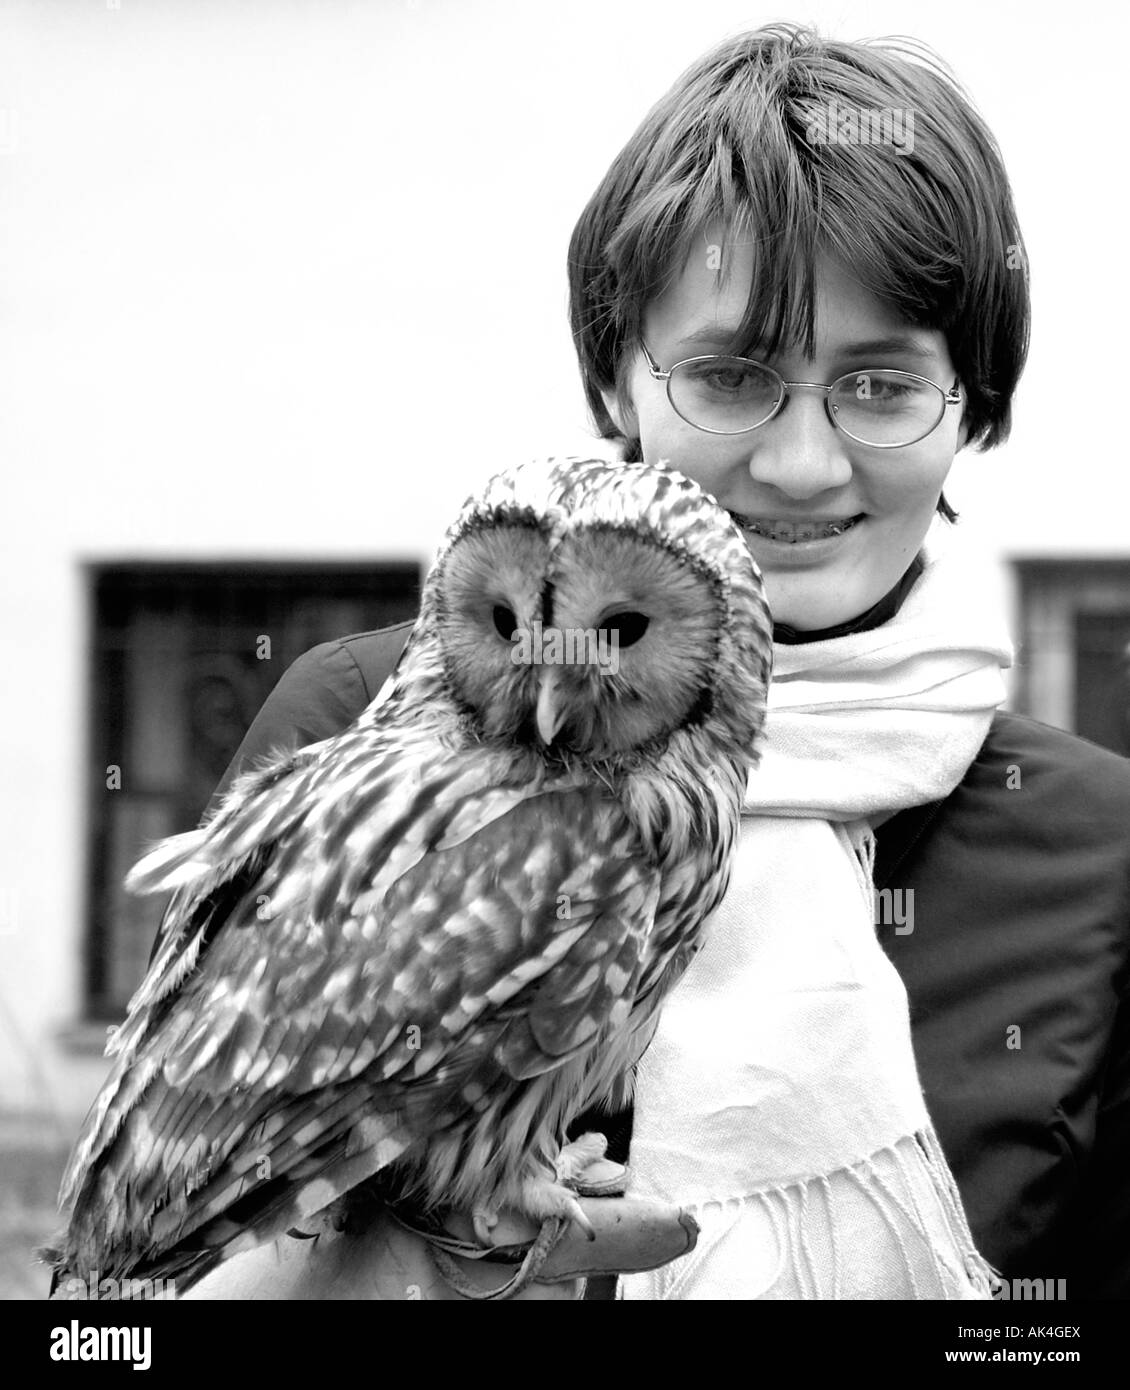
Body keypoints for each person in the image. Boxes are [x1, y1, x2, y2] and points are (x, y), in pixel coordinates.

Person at [177, 25, 1130, 1298]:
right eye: (730, 376)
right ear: (614, 381)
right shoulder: (365, 740)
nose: (801, 465)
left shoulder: (1095, 853)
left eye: (882, 384)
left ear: (975, 404)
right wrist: (400, 1263)